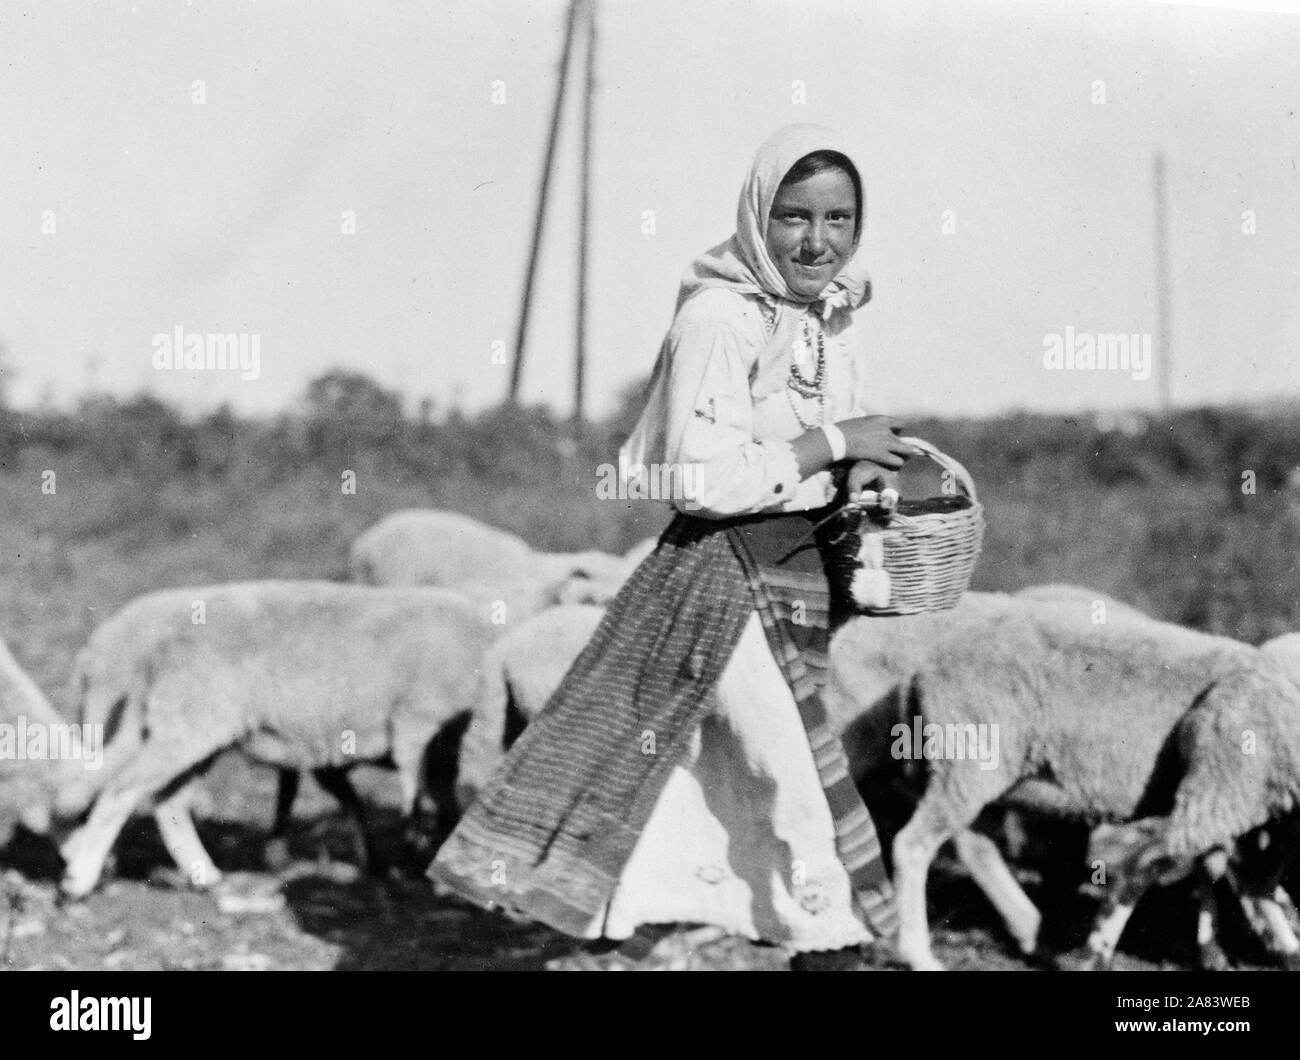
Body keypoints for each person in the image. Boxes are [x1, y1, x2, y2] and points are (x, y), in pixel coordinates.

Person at [430, 124, 913, 971]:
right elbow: (699, 477)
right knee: (802, 787)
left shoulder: (828, 322)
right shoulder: (719, 318)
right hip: (722, 578)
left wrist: (862, 479)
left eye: (838, 220)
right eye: (795, 217)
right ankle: (826, 951)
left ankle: (630, 920)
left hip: (793, 574)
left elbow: (831, 445)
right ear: (758, 217)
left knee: (707, 778)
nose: (817, 241)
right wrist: (833, 445)